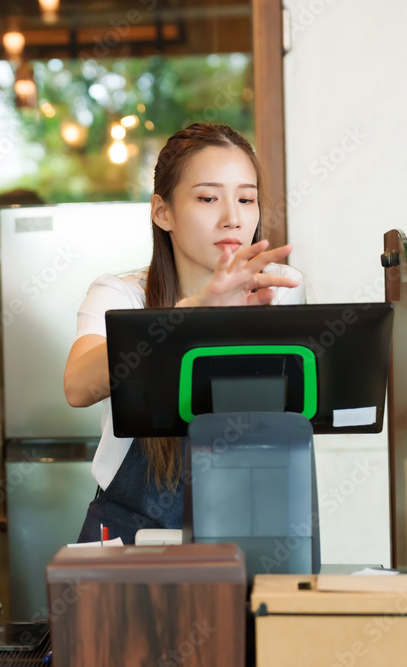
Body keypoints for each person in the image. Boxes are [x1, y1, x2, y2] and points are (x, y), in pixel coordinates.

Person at [62, 123, 305, 545]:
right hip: (127, 533)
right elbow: (78, 386)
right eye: (208, 198)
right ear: (163, 212)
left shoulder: (278, 288)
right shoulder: (122, 294)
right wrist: (190, 316)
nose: (233, 217)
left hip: (250, 525)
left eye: (247, 199)